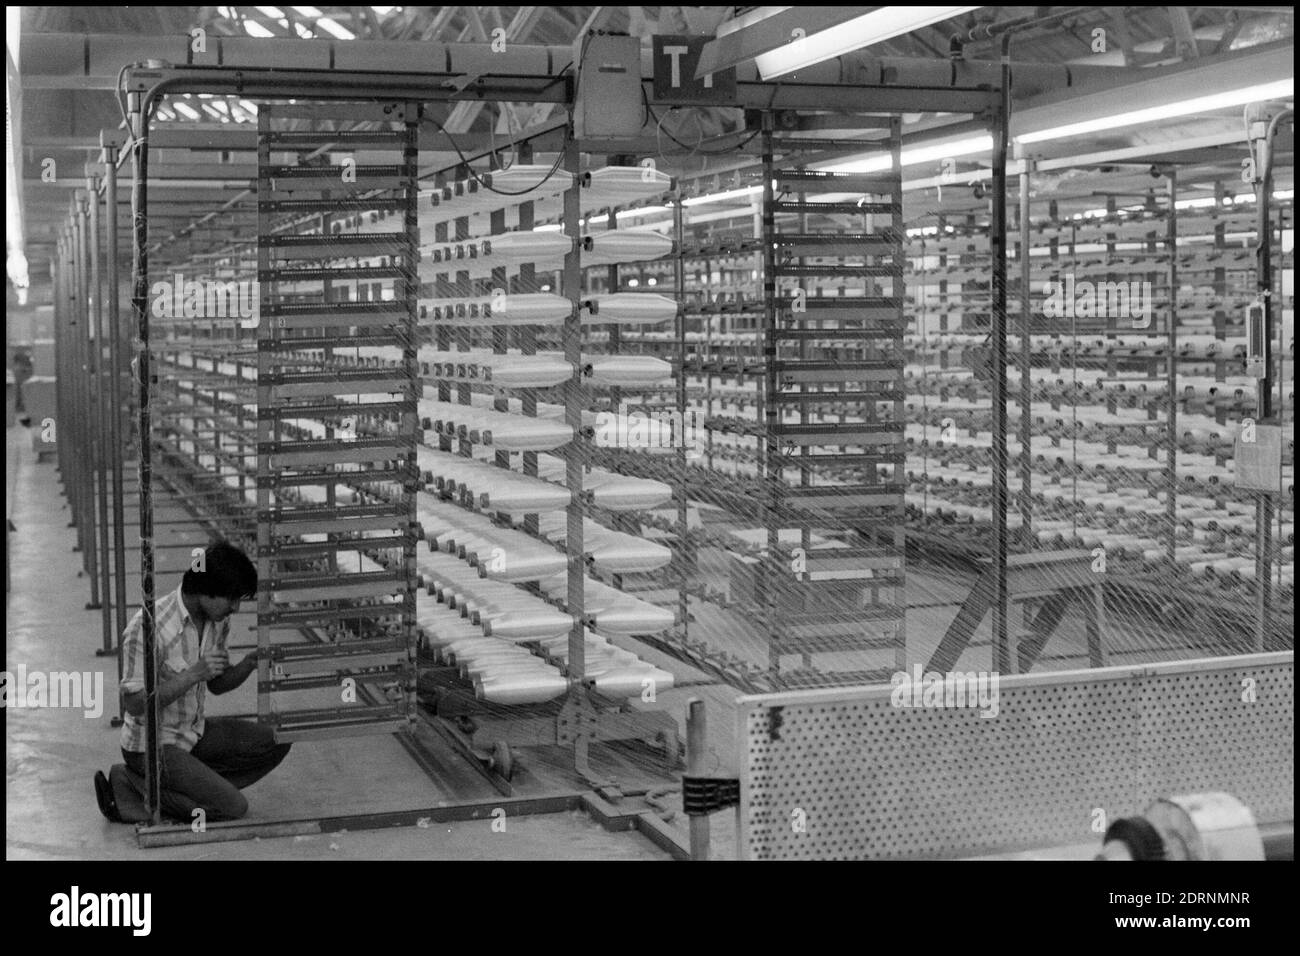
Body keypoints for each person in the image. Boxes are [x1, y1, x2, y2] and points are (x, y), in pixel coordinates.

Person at [92, 541, 291, 824]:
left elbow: (217, 685)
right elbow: (134, 705)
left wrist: (249, 663)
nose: (234, 607)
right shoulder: (148, 627)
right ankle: (129, 787)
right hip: (152, 745)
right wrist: (194, 673)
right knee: (233, 807)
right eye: (231, 598)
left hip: (193, 733)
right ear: (205, 592)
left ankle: (191, 785)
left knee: (277, 740)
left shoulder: (217, 620)